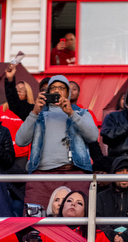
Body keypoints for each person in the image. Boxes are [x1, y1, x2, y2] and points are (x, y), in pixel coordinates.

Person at [15, 74, 98, 207]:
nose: (57, 91)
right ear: (47, 92)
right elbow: (20, 140)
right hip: (41, 176)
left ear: (68, 92)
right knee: (36, 223)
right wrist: (34, 112)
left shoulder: (82, 113)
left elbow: (93, 136)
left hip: (74, 174)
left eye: (61, 87)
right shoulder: (38, 113)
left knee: (75, 222)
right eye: (53, 88)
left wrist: (72, 114)